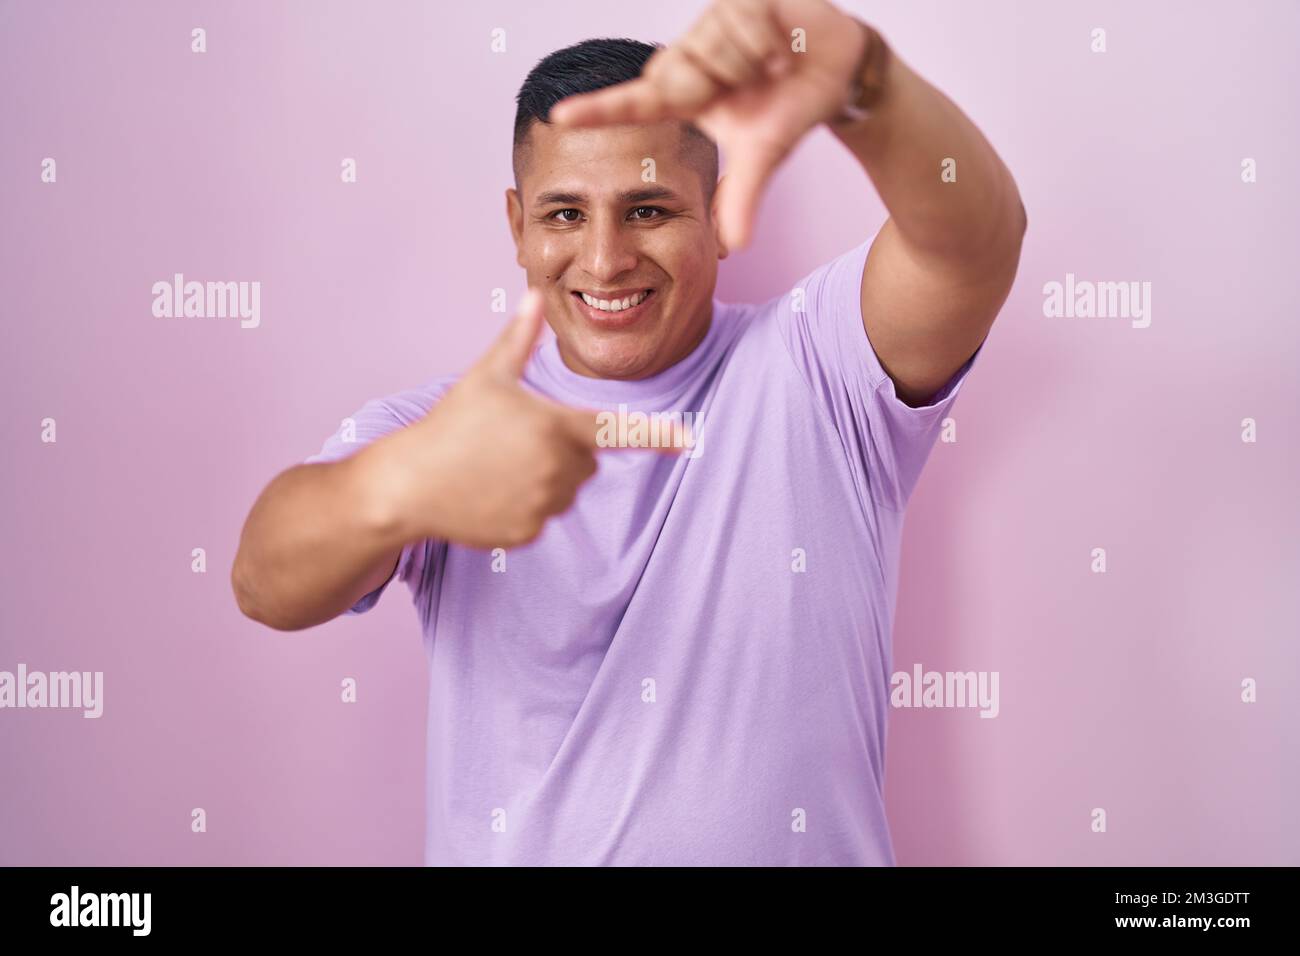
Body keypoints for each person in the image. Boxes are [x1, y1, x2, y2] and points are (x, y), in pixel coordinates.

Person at [232, 0, 1026, 865]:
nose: (606, 259)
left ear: (717, 216)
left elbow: (973, 245)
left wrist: (867, 82)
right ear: (518, 227)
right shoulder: (443, 432)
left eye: (647, 209)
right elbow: (265, 580)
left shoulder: (821, 364)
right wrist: (403, 485)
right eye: (566, 213)